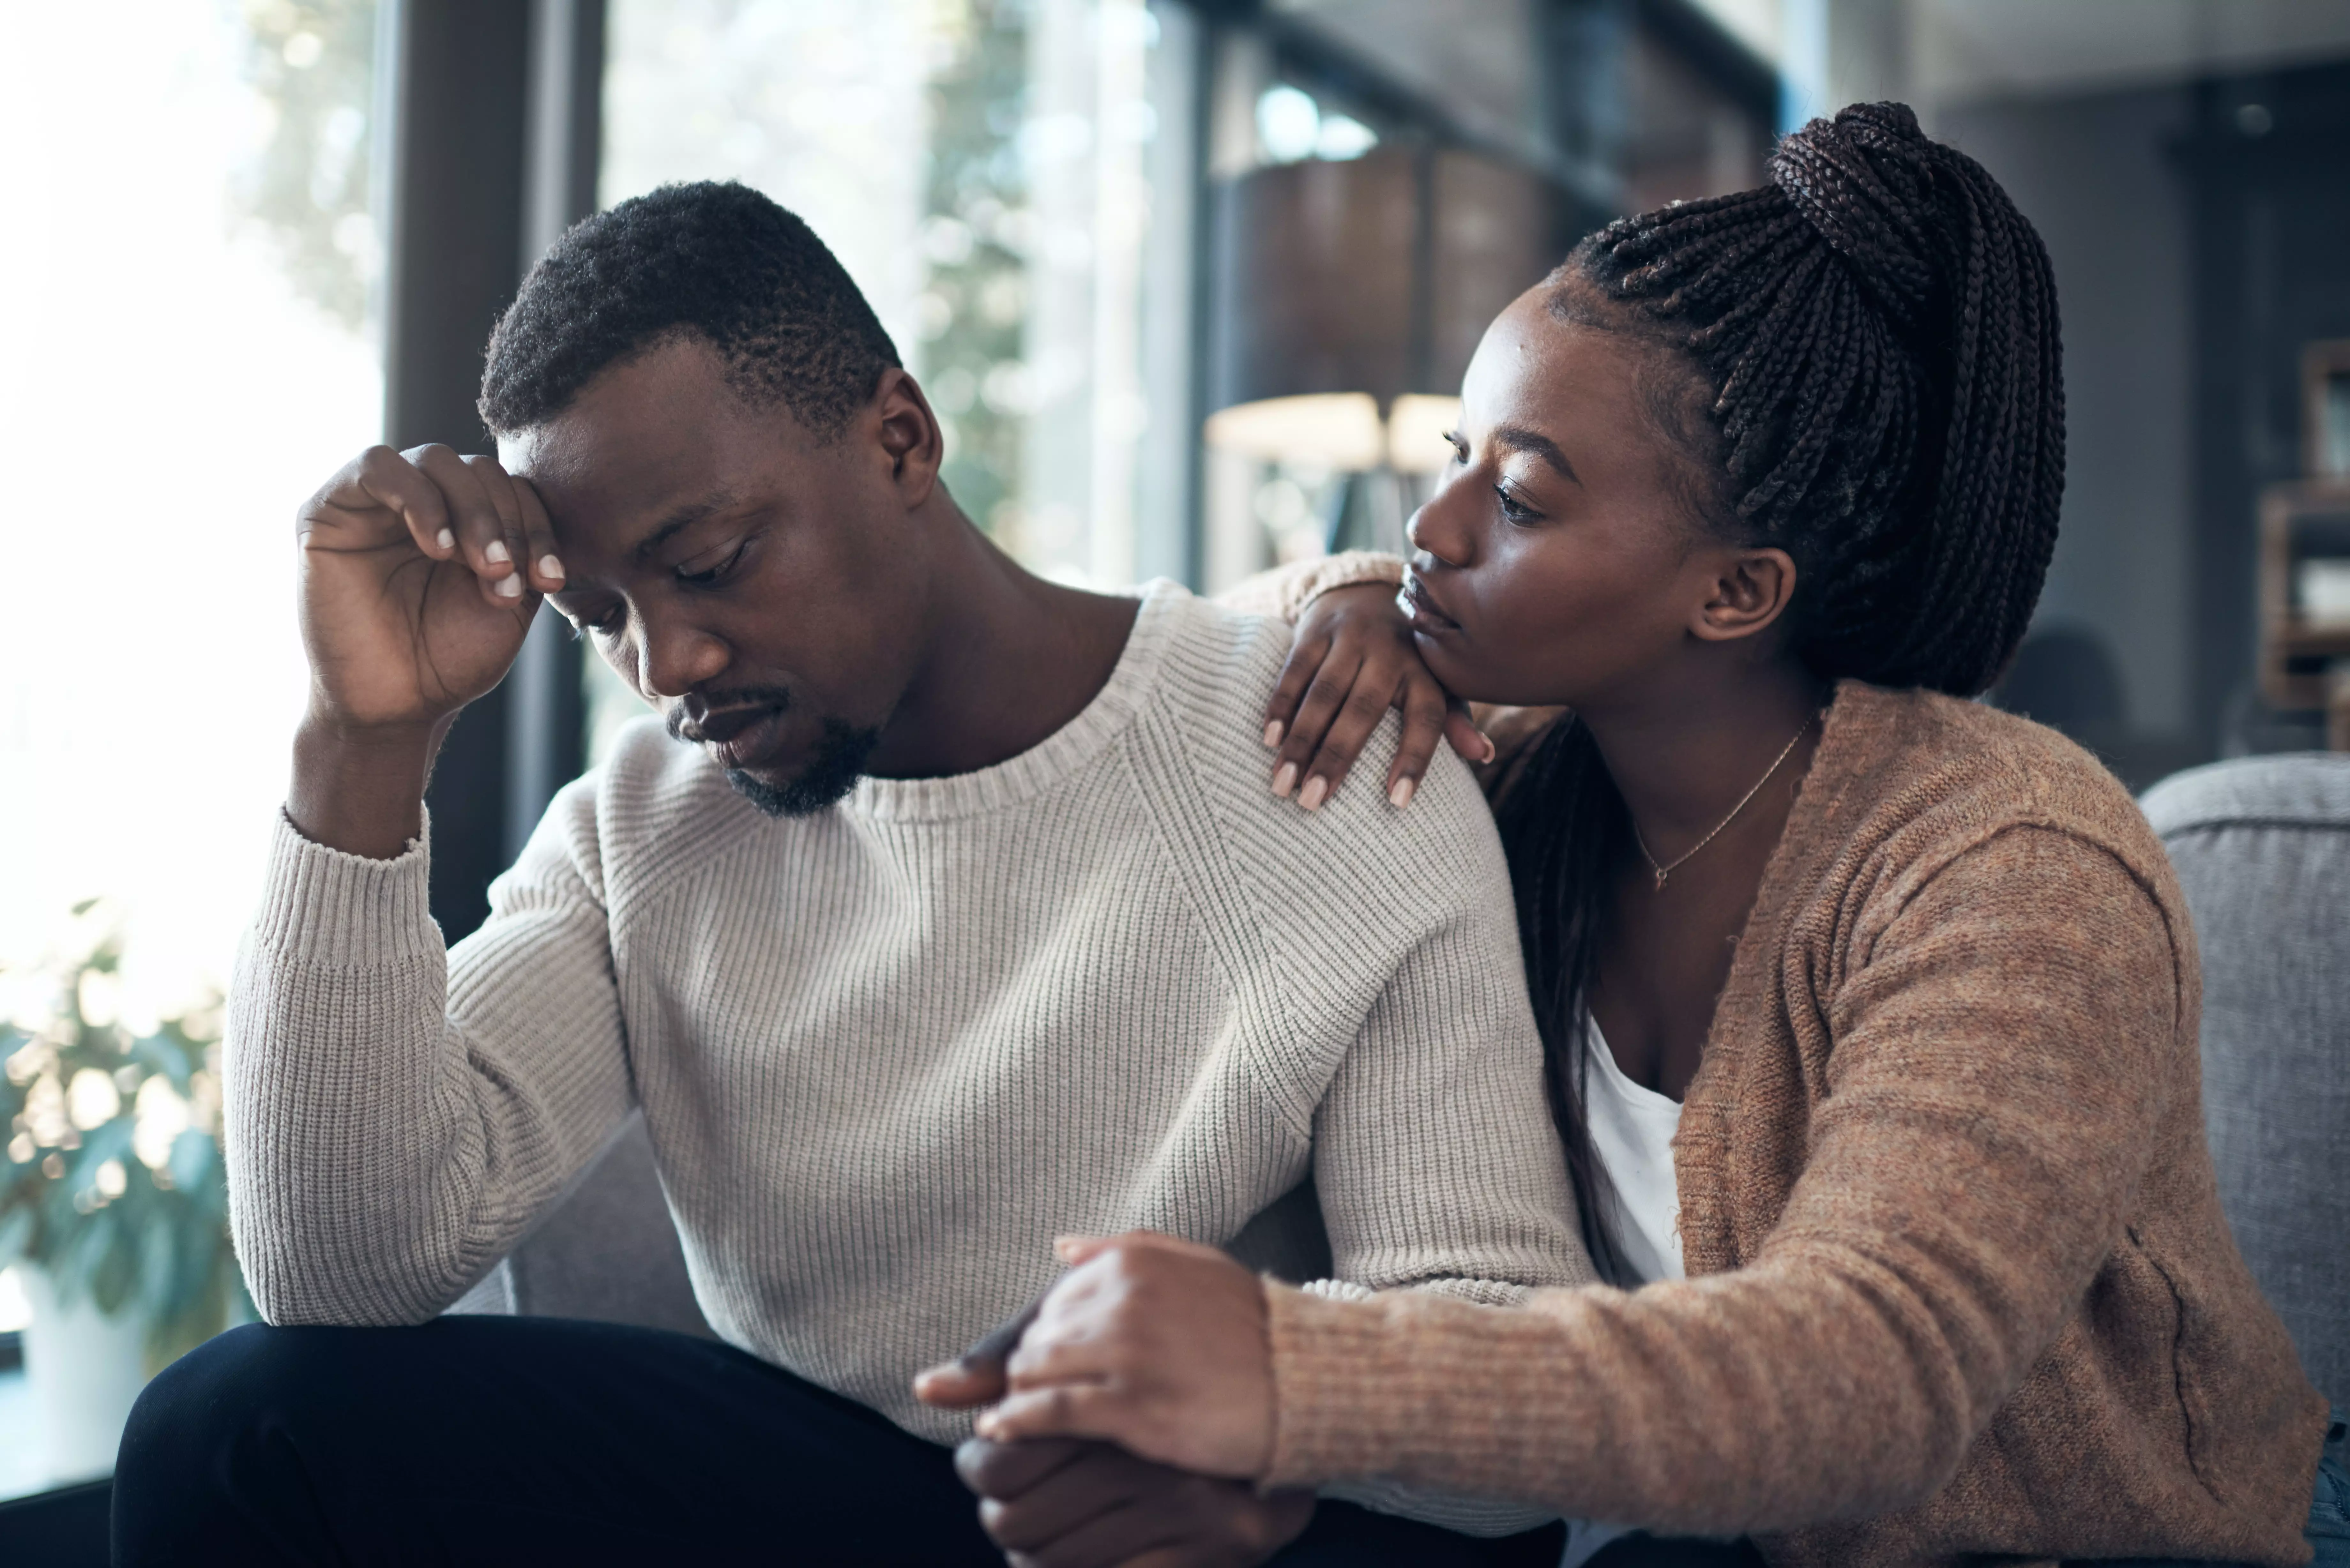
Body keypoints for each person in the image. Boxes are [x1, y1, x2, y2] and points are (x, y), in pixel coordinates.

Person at [925, 104, 2344, 1567]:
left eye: (1521, 496)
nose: (1439, 522)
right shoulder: (1522, 778)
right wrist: (1346, 597)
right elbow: (1175, 673)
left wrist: (1296, 1375)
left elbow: (1871, 1375)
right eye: (1454, 450)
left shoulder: (2007, 861)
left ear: (1735, 595)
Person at [108, 180, 1597, 1566]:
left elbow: (1504, 1390)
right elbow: (340, 1269)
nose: (665, 664)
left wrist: (1252, 1417)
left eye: (713, 560)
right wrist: (360, 742)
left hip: (1195, 1517)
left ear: (901, 438)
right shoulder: (643, 823)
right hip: (853, 1486)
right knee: (238, 1425)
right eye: (602, 613)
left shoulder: (1319, 751)